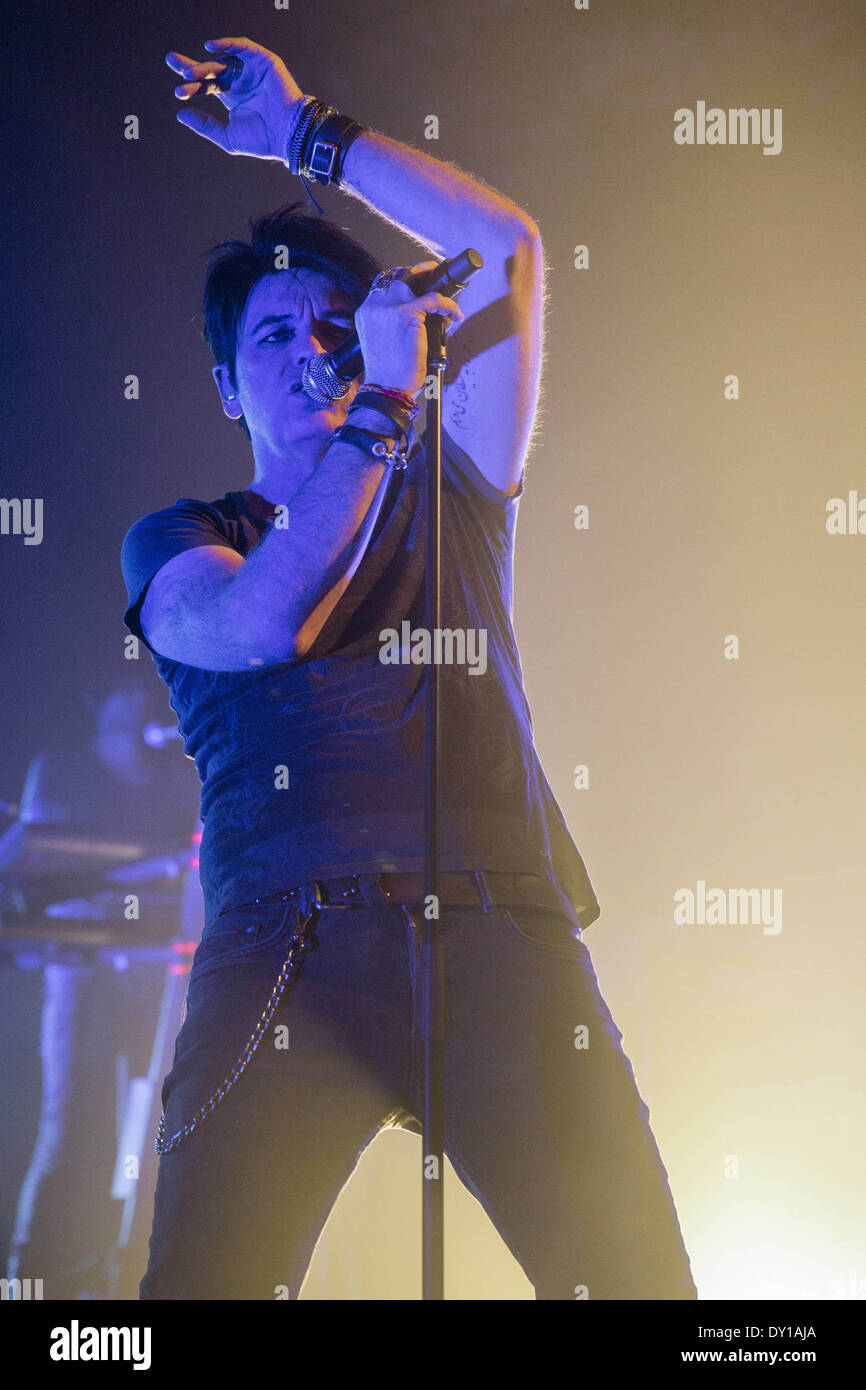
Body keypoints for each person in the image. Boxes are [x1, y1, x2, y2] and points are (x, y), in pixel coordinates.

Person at [120, 35, 697, 1299]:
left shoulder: (454, 485)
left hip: (499, 935)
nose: (310, 344)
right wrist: (380, 405)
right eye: (273, 332)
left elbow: (511, 256)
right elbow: (263, 626)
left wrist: (305, 136)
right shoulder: (184, 540)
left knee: (641, 1291)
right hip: (283, 956)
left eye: (333, 320)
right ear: (225, 383)